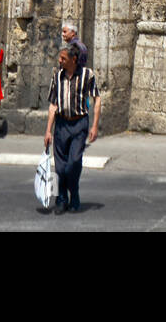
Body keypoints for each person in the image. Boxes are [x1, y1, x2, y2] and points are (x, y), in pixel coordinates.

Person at [44, 42, 100, 214]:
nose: (59, 61)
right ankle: (61, 199)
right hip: (61, 124)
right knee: (59, 167)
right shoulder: (57, 76)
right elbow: (53, 105)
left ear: (73, 59)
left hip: (79, 124)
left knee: (73, 162)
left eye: (63, 58)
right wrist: (48, 130)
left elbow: (97, 99)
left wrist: (95, 125)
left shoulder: (87, 75)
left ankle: (74, 194)